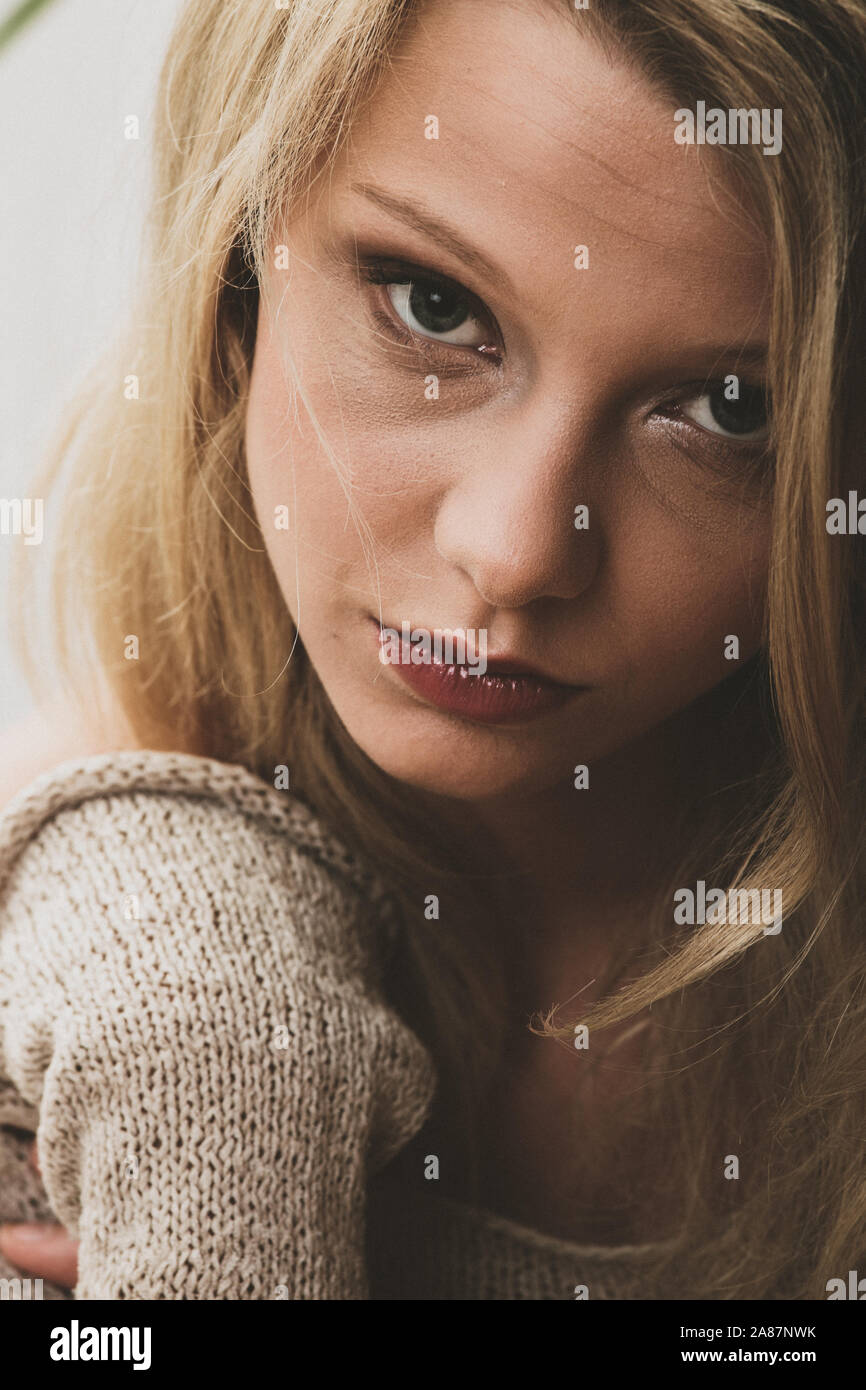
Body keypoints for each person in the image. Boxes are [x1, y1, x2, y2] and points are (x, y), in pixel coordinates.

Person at [1, 0, 864, 1300]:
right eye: (433, 306)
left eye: (727, 409)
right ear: (235, 267)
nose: (517, 549)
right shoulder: (125, 950)